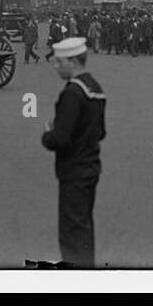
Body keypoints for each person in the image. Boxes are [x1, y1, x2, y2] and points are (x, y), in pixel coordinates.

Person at [41, 37, 107, 268]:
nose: (56, 67)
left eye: (59, 62)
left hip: (73, 170)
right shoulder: (94, 88)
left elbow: (59, 138)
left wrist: (48, 132)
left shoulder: (72, 93)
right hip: (90, 167)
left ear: (72, 62)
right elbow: (100, 133)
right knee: (83, 230)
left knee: (71, 235)